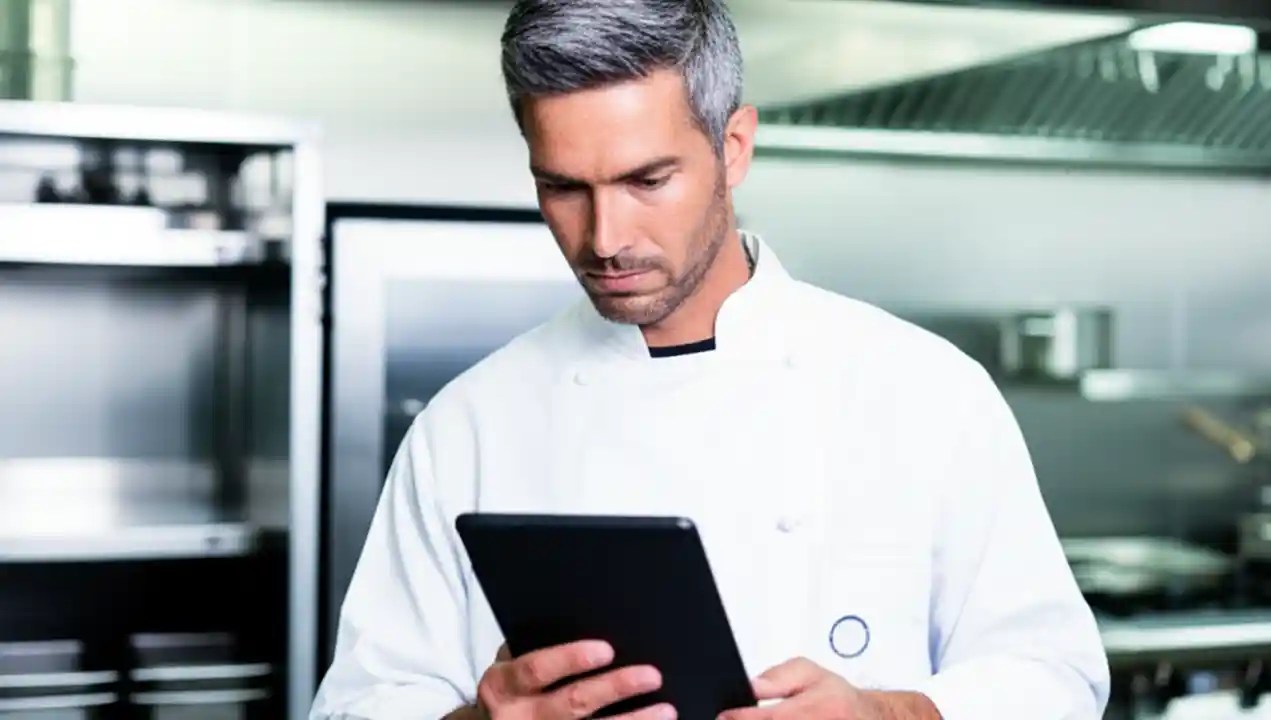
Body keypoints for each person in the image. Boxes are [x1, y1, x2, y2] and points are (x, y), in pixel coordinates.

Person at [310, 0, 1110, 718]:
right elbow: (359, 704)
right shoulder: (470, 425)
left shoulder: (926, 391)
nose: (605, 237)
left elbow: (1057, 677)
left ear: (733, 147)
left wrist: (888, 715)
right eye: (563, 188)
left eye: (647, 179)